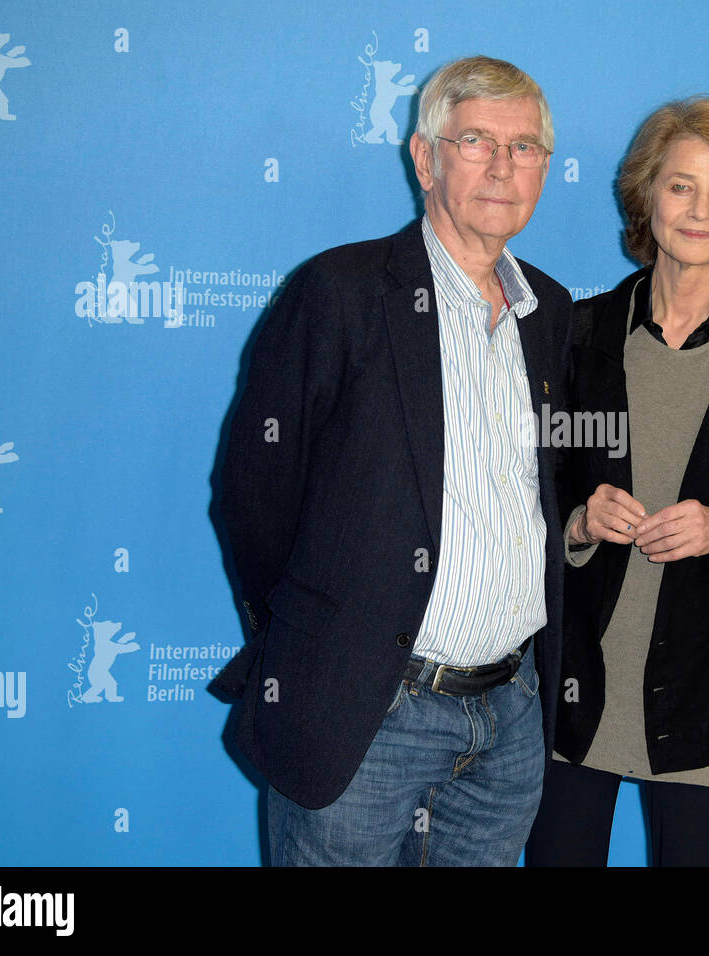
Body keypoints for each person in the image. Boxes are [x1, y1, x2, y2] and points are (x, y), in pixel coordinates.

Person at [212, 55, 572, 866]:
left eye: (525, 147)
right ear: (424, 157)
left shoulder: (546, 311)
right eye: (476, 139)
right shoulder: (340, 292)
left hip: (510, 719)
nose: (502, 165)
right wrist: (317, 637)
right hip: (368, 715)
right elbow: (253, 491)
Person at [524, 97, 709, 867]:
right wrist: (579, 521)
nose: (699, 210)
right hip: (574, 687)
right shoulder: (579, 333)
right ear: (645, 196)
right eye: (681, 186)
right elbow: (528, 491)